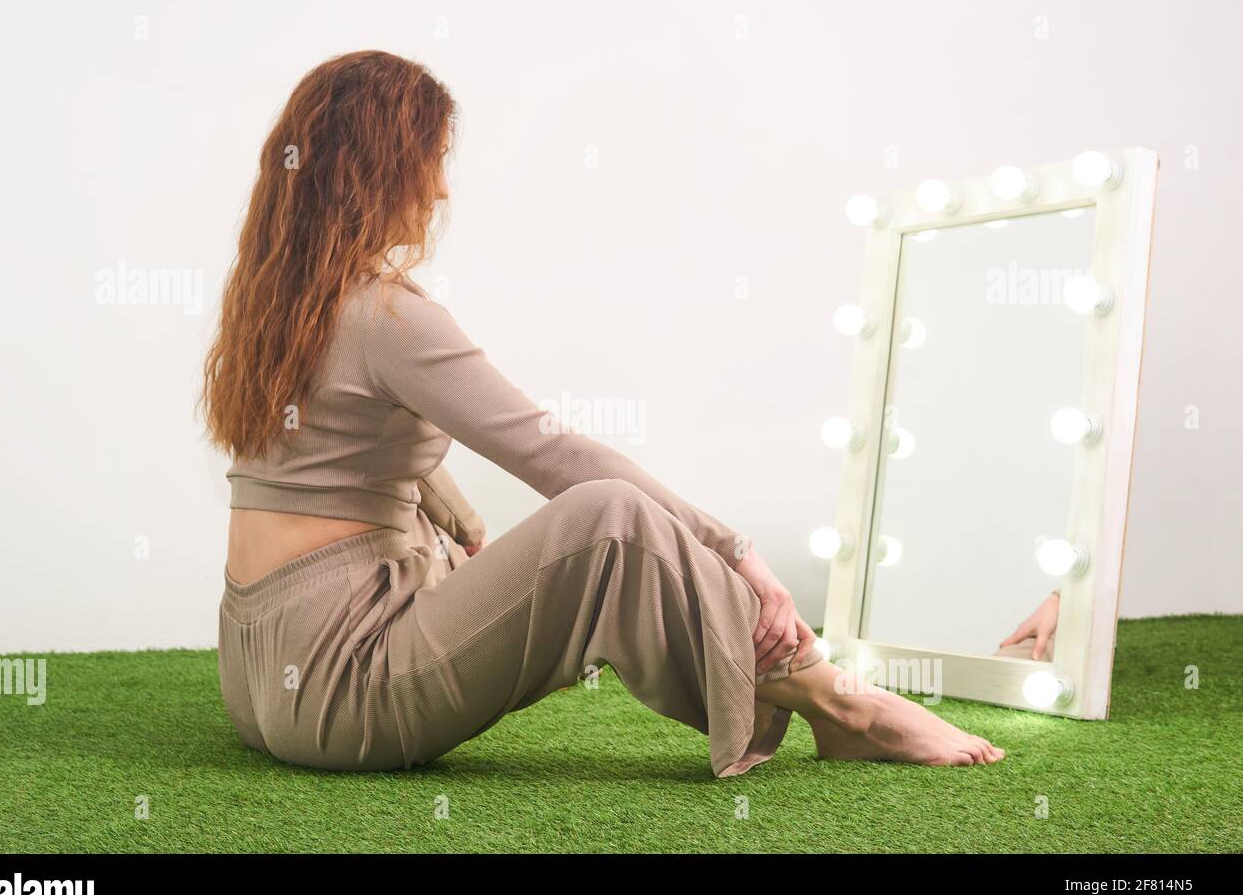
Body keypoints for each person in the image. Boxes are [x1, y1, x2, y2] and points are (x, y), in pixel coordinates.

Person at [201, 51, 1004, 777]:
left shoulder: (274, 301)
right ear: (377, 168)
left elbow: (345, 446)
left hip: (255, 675)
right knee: (608, 517)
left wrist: (464, 523)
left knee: (514, 540)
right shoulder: (387, 316)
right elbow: (557, 458)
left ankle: (829, 695)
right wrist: (737, 553)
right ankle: (844, 704)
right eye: (432, 161)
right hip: (346, 687)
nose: (442, 188)